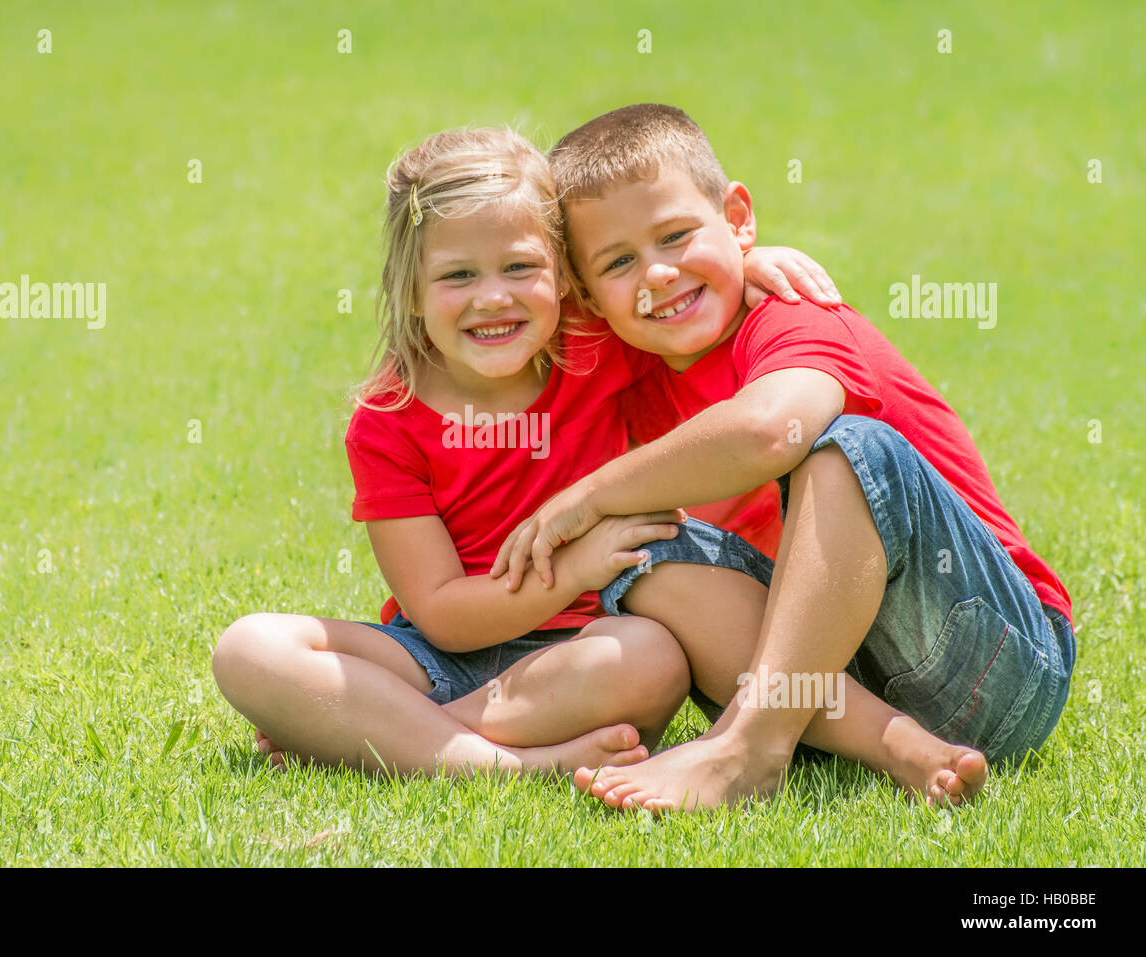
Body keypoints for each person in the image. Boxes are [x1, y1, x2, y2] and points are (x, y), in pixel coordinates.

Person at [492, 104, 1075, 811]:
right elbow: (499, 311)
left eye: (677, 236)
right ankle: (893, 743)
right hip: (834, 672)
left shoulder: (794, 314)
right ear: (587, 292)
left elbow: (770, 430)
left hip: (1001, 658)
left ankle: (750, 748)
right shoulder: (626, 355)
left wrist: (588, 493)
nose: (659, 274)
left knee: (848, 449)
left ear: (738, 218)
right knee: (637, 545)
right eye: (619, 261)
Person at [211, 126, 835, 778]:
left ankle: (386, 733)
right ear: (411, 291)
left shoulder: (595, 346)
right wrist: (574, 569)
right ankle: (506, 763)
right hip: (433, 660)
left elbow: (675, 301)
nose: (493, 297)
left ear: (563, 275)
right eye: (458, 275)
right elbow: (444, 614)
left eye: (520, 267)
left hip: (579, 656)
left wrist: (746, 262)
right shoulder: (386, 421)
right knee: (249, 647)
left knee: (653, 657)